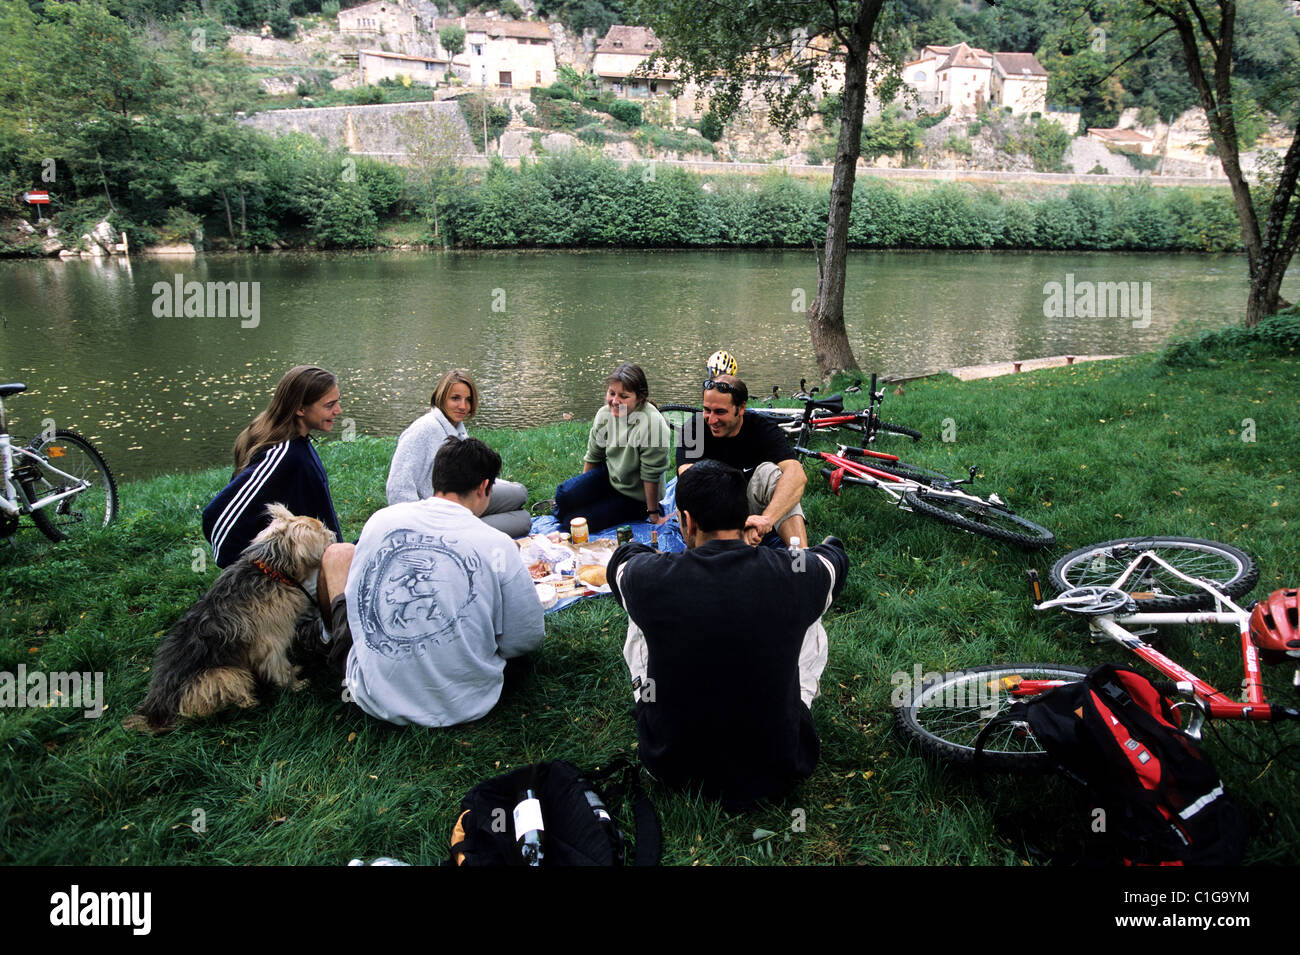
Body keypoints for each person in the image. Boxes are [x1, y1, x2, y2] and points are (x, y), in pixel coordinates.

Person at [607, 460, 848, 809]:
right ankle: (795, 705)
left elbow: (623, 559)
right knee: (811, 614)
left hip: (671, 765)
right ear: (745, 517)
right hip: (781, 766)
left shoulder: (651, 578)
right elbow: (833, 555)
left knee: (638, 618)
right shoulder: (795, 575)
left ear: (687, 520)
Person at [318, 436, 545, 728]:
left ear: (435, 479)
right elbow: (527, 639)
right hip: (466, 705)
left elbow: (359, 601)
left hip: (374, 698)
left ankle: (327, 641)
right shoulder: (498, 545)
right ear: (484, 487)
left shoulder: (380, 521)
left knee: (338, 553)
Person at [203, 365, 344, 569]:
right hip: (294, 575)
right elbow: (217, 518)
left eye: (337, 402)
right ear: (300, 409)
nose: (338, 410)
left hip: (322, 562)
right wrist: (252, 571)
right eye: (329, 405)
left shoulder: (299, 446)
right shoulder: (284, 454)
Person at [386, 369, 531, 539]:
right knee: (523, 520)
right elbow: (397, 488)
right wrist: (422, 528)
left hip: (467, 500)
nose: (463, 406)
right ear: (441, 398)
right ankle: (464, 533)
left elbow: (473, 473)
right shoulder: (422, 430)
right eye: (455, 398)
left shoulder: (456, 428)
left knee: (520, 494)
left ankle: (471, 524)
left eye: (468, 400)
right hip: (437, 521)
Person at [676, 374, 808, 546]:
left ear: (741, 408)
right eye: (707, 410)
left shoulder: (762, 428)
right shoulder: (693, 430)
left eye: (720, 412)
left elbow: (797, 475)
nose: (712, 419)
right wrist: (738, 525)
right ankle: (706, 563)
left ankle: (801, 559)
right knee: (687, 495)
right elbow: (689, 484)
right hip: (710, 511)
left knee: (773, 475)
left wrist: (766, 520)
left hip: (750, 506)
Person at [554, 363, 672, 532]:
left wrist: (653, 515)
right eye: (611, 393)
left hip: (636, 496)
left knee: (571, 524)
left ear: (639, 397)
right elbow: (594, 456)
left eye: (623, 396)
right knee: (563, 495)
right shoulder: (604, 415)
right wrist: (582, 494)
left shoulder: (653, 424)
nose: (615, 401)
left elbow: (650, 475)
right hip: (611, 476)